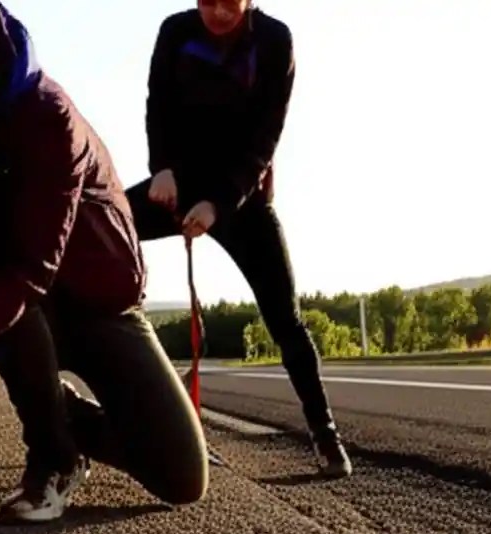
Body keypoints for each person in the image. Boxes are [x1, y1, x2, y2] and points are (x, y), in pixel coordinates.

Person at [0, 0, 211, 522]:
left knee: (183, 475)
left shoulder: (47, 114)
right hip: (12, 304)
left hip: (96, 297)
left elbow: (33, 268)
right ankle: (54, 454)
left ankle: (60, 410)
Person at [124, 0, 352, 478]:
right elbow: (157, 103)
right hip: (175, 183)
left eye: (229, 2)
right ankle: (78, 418)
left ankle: (325, 433)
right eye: (207, 1)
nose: (218, 11)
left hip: (241, 196)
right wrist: (160, 167)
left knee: (285, 318)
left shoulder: (274, 40)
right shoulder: (175, 31)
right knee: (98, 232)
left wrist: (218, 204)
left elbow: (265, 137)